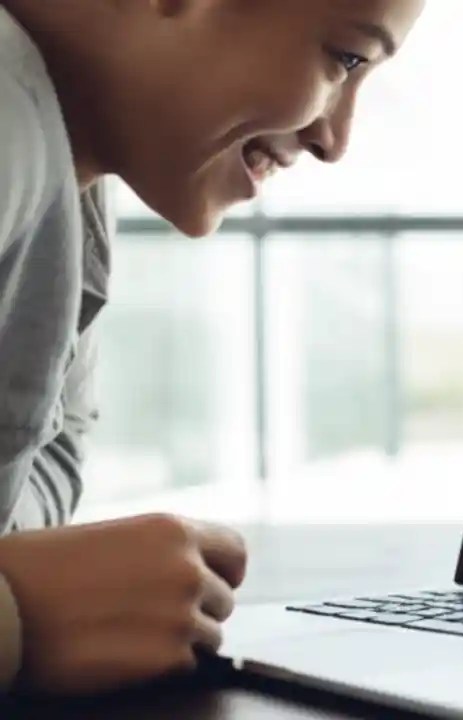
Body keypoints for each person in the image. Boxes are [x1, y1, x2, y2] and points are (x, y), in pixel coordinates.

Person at [0, 0, 425, 695]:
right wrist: (21, 615)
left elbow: (52, 462)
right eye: (345, 58)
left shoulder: (70, 182)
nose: (335, 138)